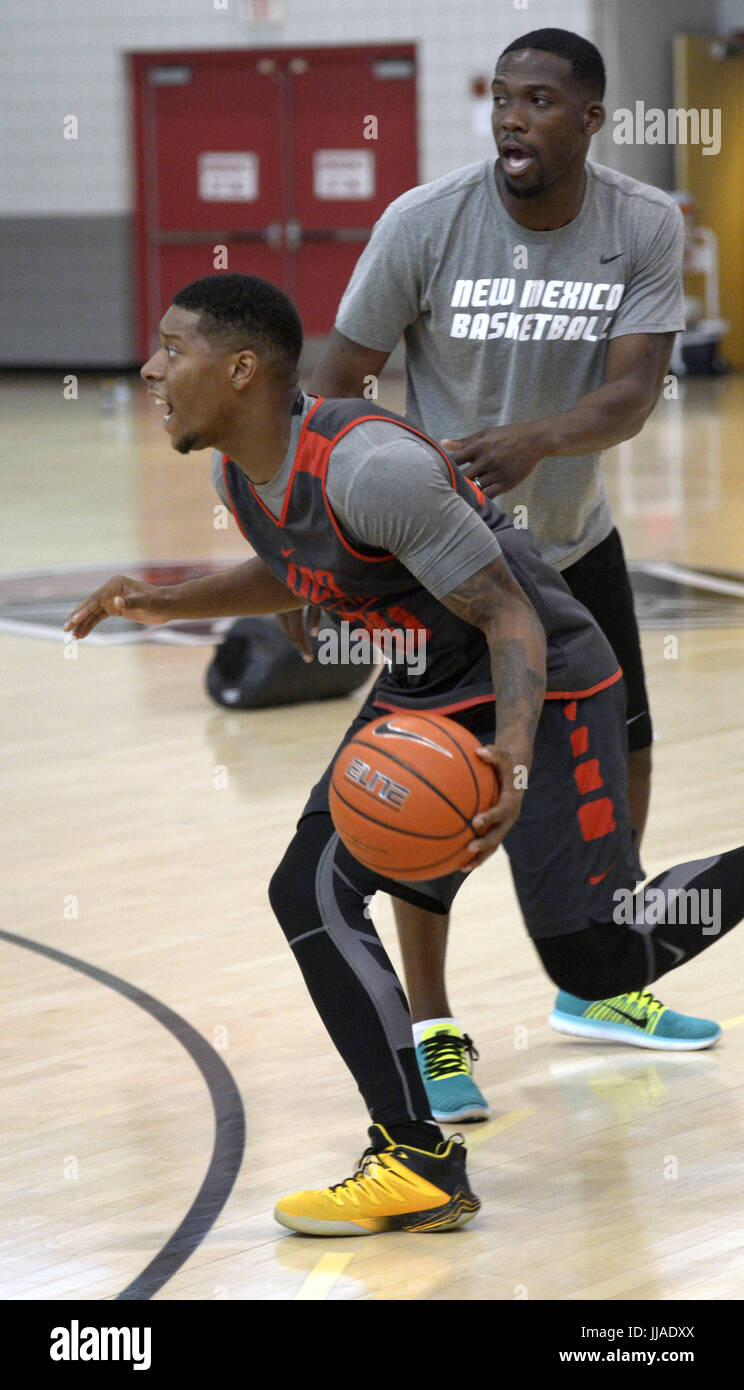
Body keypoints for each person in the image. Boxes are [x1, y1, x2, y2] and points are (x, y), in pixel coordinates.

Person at [65, 273, 744, 1235]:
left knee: (595, 961)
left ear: (243, 368)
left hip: (546, 684)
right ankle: (418, 1160)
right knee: (308, 887)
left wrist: (512, 755)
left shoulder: (370, 467)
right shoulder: (241, 470)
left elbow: (512, 611)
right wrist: (160, 600)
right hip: (428, 684)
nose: (150, 365)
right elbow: (295, 566)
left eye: (174, 348)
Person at [299, 26, 720, 1125]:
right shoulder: (424, 222)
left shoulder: (639, 222)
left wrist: (535, 440)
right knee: (433, 777)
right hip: (447, 564)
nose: (512, 119)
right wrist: (392, 495)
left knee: (625, 751)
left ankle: (606, 980)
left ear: (590, 118)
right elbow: (335, 382)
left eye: (538, 101)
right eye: (501, 100)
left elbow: (632, 394)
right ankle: (436, 1030)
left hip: (577, 541)